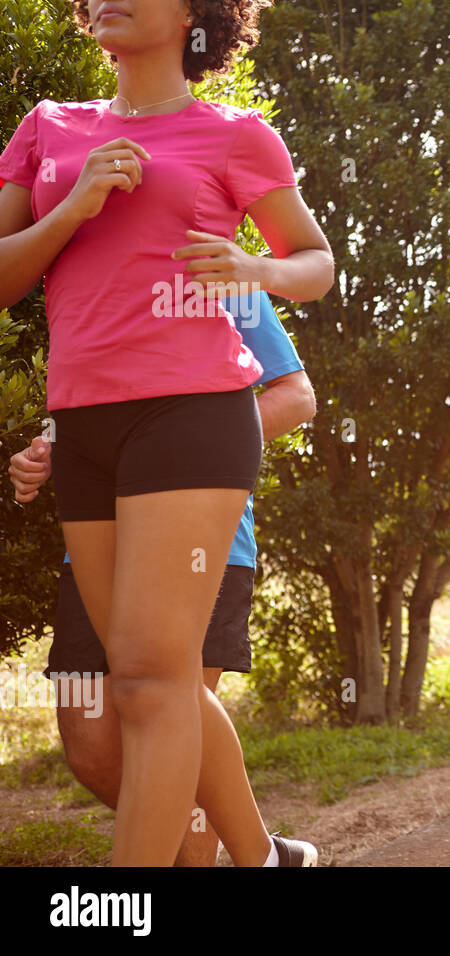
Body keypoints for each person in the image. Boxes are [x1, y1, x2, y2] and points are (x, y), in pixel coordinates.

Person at [0, 0, 334, 865]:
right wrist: (73, 206)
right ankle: (256, 859)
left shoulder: (237, 136)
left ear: (194, 13)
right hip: (85, 425)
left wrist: (256, 267)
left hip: (194, 414)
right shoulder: (47, 130)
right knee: (138, 695)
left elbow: (316, 261)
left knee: (150, 680)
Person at [8, 289, 317, 866]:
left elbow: (296, 398)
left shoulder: (219, 273)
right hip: (99, 543)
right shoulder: (81, 279)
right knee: (91, 744)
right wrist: (50, 451)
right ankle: (264, 854)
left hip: (203, 541)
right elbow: (94, 415)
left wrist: (173, 449)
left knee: (173, 723)